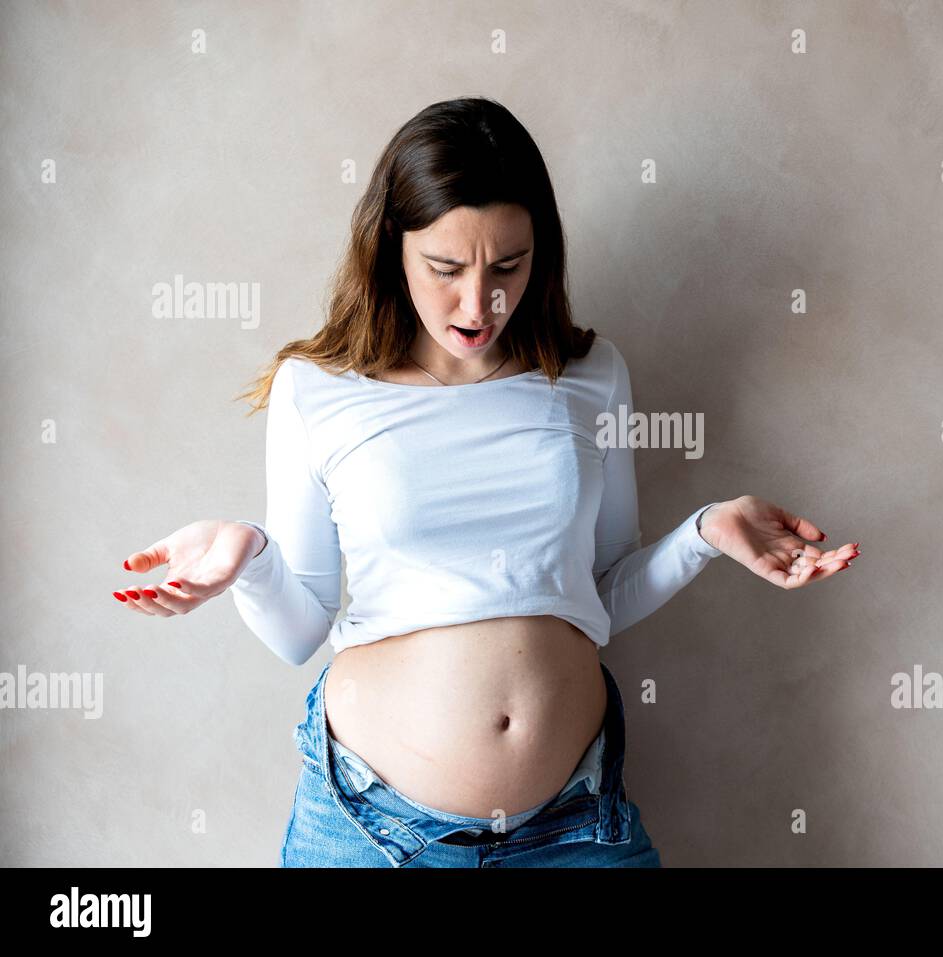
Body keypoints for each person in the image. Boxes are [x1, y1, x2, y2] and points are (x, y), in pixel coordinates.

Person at [112, 97, 859, 867]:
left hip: (575, 824)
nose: (480, 303)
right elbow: (299, 631)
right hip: (372, 829)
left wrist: (704, 534)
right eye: (445, 268)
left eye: (509, 265)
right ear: (391, 250)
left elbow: (597, 594)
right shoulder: (319, 387)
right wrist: (251, 557)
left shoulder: (590, 374)